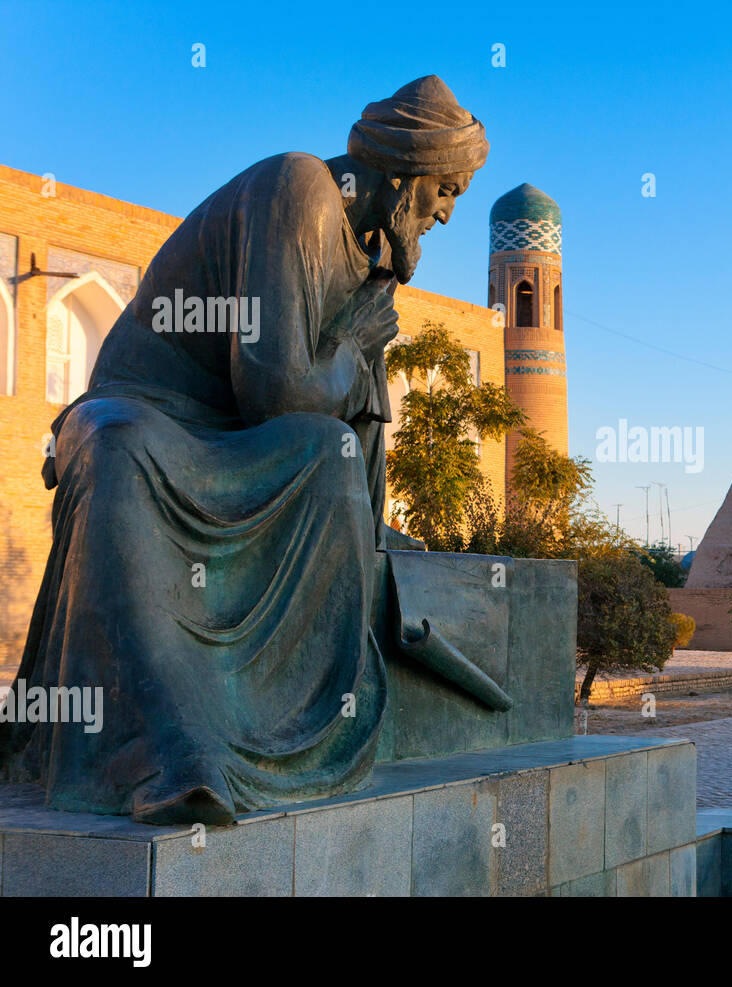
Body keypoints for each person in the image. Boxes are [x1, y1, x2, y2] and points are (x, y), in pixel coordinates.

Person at [0, 76, 489, 825]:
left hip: (229, 443)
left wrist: (368, 526)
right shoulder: (300, 188)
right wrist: (352, 352)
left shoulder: (369, 269)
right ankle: (169, 749)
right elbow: (273, 385)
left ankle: (286, 731)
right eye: (447, 188)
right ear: (403, 170)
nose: (449, 211)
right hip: (138, 412)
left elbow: (349, 430)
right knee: (125, 450)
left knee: (325, 452)